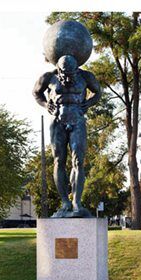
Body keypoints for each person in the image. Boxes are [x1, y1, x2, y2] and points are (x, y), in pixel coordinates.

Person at [33, 54, 102, 217]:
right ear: (59, 69)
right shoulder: (49, 77)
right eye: (65, 74)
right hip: (58, 120)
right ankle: (65, 202)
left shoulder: (85, 76)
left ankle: (77, 202)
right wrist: (46, 104)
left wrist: (88, 103)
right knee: (59, 160)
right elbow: (36, 93)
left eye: (72, 74)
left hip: (77, 119)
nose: (69, 78)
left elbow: (98, 92)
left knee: (78, 160)